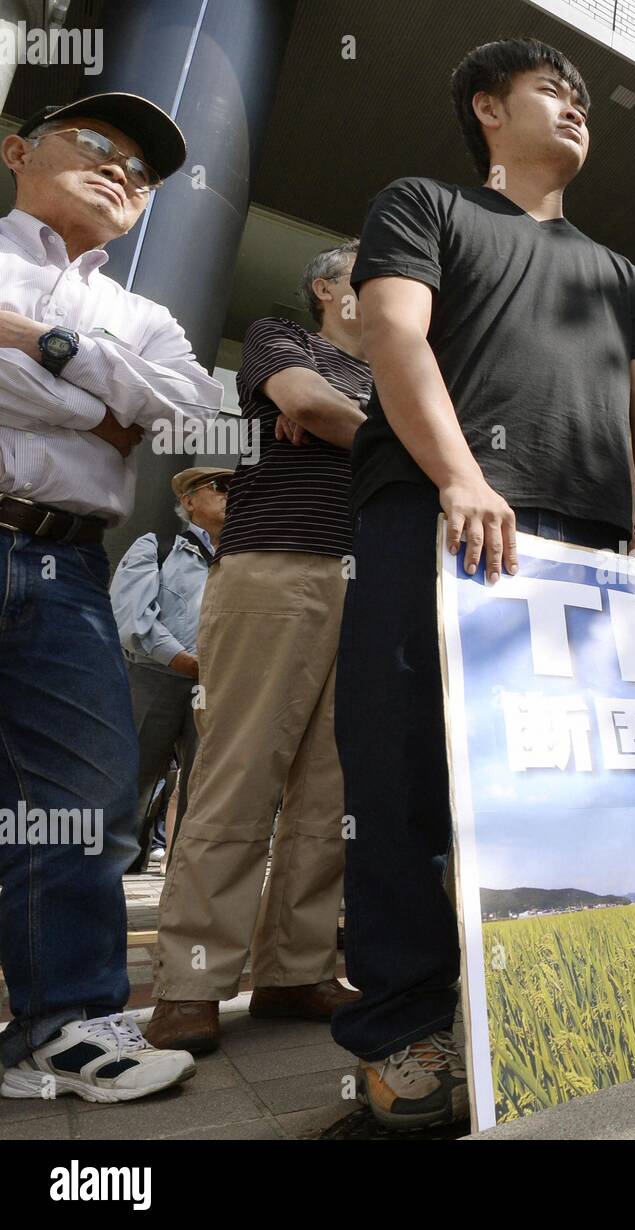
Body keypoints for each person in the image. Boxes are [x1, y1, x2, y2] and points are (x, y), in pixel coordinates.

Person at [331, 37, 635, 1130]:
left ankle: (555, 1008)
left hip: (584, 545)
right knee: (403, 775)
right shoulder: (424, 205)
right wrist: (459, 474)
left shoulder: (619, 271)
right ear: (488, 109)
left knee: (573, 786)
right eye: (553, 90)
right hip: (438, 515)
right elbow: (395, 336)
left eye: (584, 96)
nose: (578, 106)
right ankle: (405, 1032)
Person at [0, 93, 223, 1102]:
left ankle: (66, 1028)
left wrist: (27, 339)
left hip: (69, 563)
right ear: (17, 149)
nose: (121, 171)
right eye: (97, 146)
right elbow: (131, 411)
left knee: (83, 798)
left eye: (143, 172)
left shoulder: (152, 317)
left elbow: (184, 411)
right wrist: (103, 405)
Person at [146, 241, 370, 1054]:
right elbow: (306, 402)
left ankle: (296, 971)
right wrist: (377, 435)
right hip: (275, 569)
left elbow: (334, 421)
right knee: (240, 771)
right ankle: (191, 984)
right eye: (371, 274)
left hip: (373, 586)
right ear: (326, 289)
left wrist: (354, 426)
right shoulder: (285, 338)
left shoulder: (411, 377)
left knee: (330, 788)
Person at [110, 466, 231, 872]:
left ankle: (187, 876)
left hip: (217, 686)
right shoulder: (156, 546)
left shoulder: (244, 558)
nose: (230, 494)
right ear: (189, 500)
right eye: (220, 487)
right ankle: (114, 871)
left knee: (205, 786)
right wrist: (183, 660)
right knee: (134, 778)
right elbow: (131, 617)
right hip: (155, 678)